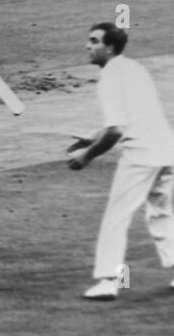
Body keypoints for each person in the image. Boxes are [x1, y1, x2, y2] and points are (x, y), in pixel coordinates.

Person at [68, 24, 174, 301]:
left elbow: (116, 131)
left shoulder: (110, 79)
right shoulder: (133, 68)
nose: (87, 46)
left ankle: (107, 281)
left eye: (94, 41)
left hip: (141, 155)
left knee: (117, 216)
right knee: (162, 213)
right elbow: (127, 118)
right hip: (166, 151)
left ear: (110, 47)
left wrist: (87, 156)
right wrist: (89, 139)